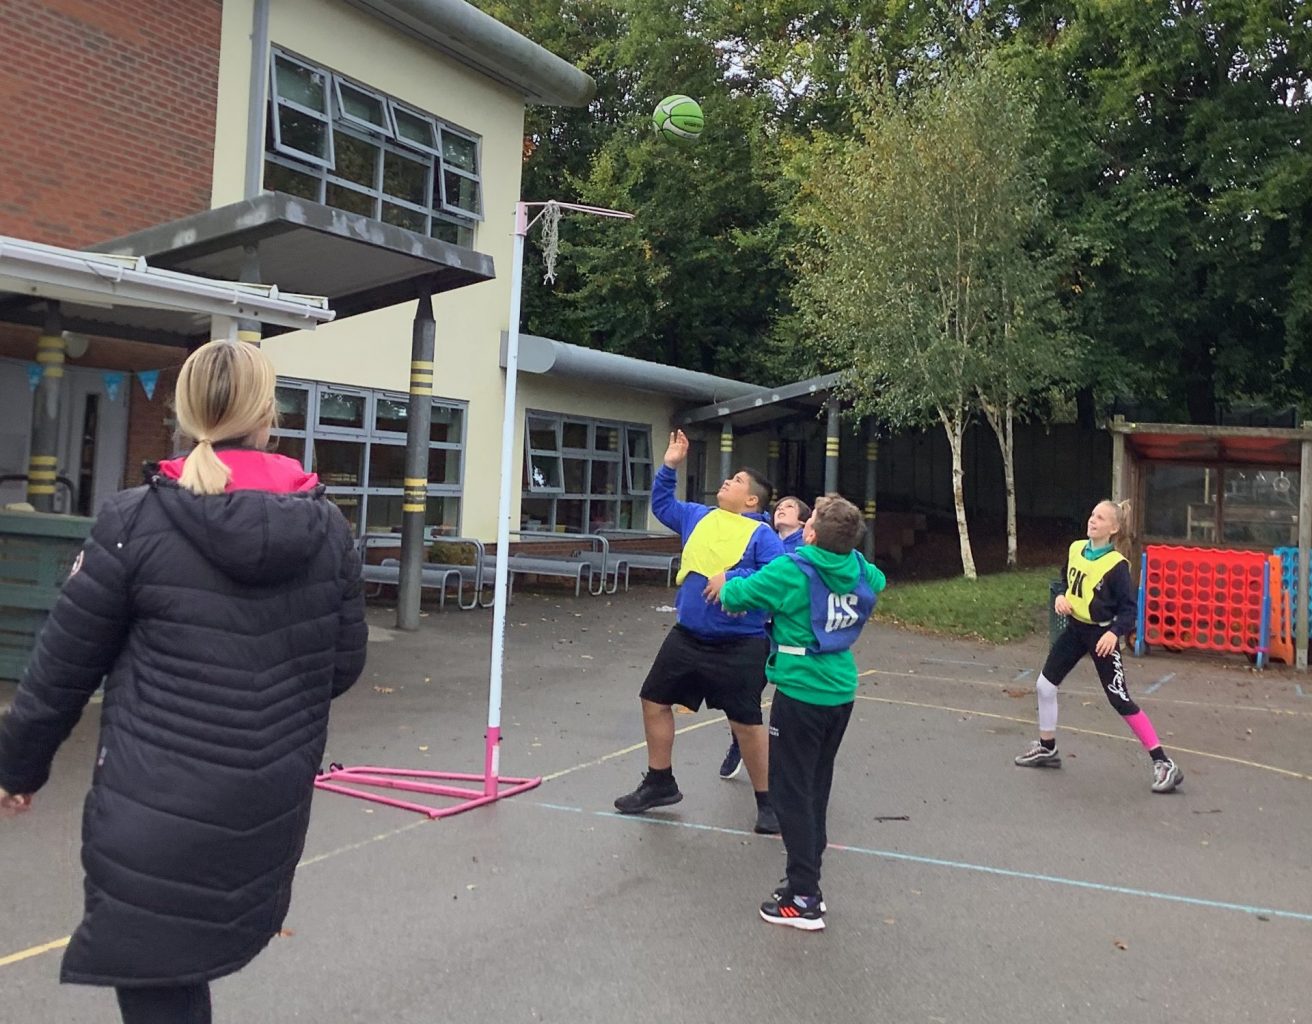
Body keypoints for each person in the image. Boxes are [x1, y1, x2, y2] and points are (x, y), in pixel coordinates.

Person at [0, 340, 367, 1023]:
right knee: (178, 975)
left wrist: (17, 768)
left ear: (183, 411)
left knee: (158, 979)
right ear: (268, 416)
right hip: (264, 806)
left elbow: (60, 669)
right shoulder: (327, 529)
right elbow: (341, 666)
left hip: (151, 806)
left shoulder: (131, 522)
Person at [708, 494, 885, 931]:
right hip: (840, 689)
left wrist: (723, 580)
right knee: (815, 786)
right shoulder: (860, 567)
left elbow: (737, 595)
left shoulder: (793, 569)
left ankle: (805, 895)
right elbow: (876, 580)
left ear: (809, 532)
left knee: (790, 793)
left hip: (802, 692)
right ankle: (804, 882)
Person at [613, 429, 785, 833]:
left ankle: (768, 802)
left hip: (739, 643)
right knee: (653, 700)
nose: (728, 480)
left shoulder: (761, 534)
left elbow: (780, 575)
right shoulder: (698, 515)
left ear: (752, 501)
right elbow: (661, 505)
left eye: (739, 481)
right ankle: (660, 782)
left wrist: (734, 575)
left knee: (745, 723)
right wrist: (670, 464)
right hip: (688, 637)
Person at [1014, 499, 1183, 793]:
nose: (1092, 520)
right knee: (1044, 685)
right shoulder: (1076, 548)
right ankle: (1047, 747)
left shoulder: (1117, 567)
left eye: (1101, 518)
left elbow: (1130, 610)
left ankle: (1164, 762)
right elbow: (1065, 581)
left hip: (1102, 636)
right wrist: (1060, 597)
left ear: (1113, 528)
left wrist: (1115, 632)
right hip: (1076, 629)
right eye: (1092, 514)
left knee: (1120, 699)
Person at [719, 495, 812, 780]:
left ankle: (791, 761)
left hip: (789, 633)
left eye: (789, 507)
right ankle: (741, 743)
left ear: (803, 521)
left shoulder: (805, 549)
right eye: (778, 506)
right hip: (759, 628)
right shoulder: (763, 538)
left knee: (792, 699)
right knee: (742, 690)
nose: (781, 509)